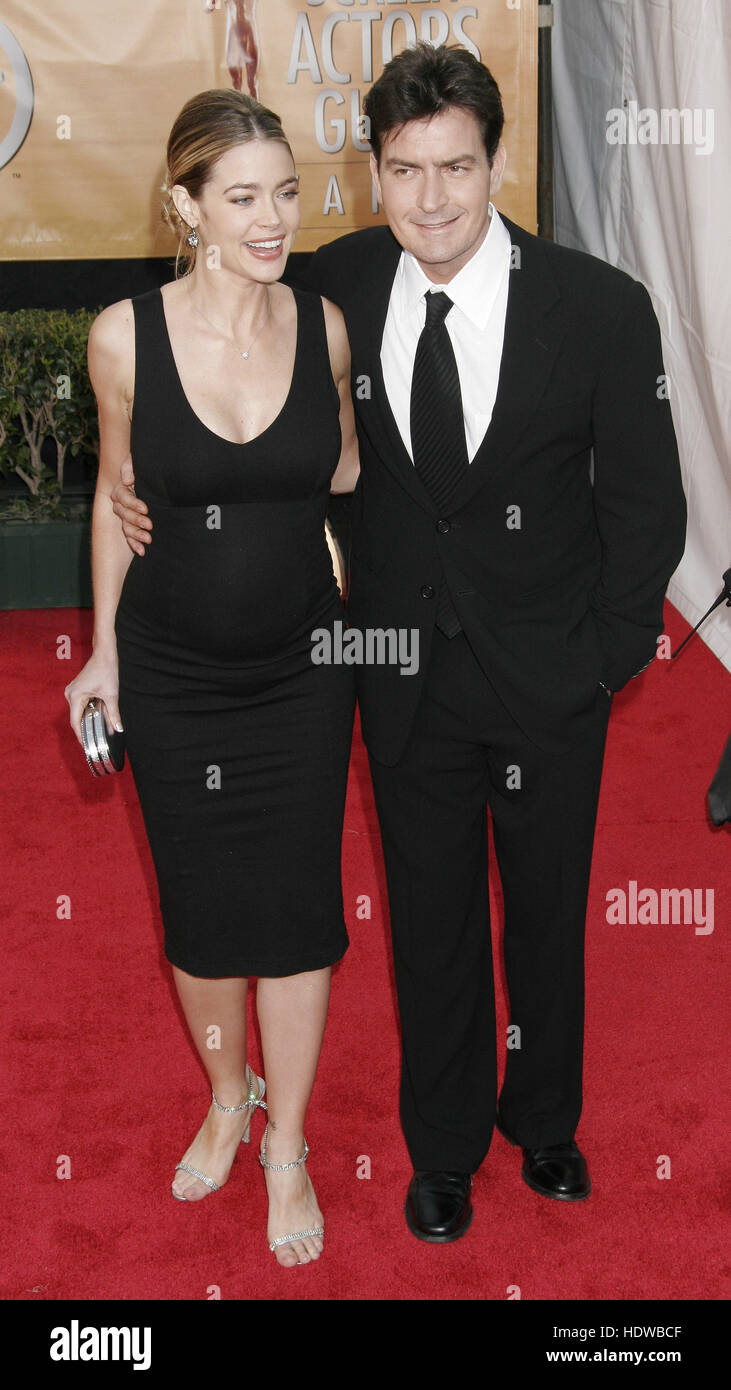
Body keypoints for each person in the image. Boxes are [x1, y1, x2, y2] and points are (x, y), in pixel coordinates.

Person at [112, 45, 687, 1244]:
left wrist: (600, 660)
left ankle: (544, 1123)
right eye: (404, 170)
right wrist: (139, 497)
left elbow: (646, 513)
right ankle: (442, 1147)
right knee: (426, 917)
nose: (431, 199)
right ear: (374, 172)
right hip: (393, 670)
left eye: (457, 169)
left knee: (543, 910)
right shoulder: (343, 286)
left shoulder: (596, 307)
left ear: (496, 165)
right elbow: (264, 432)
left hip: (547, 676)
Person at [65, 89, 359, 1268]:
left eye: (284, 193)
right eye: (242, 198)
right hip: (176, 670)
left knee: (294, 913)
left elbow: (341, 463)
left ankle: (285, 1141)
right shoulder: (120, 336)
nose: (272, 217)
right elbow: (107, 493)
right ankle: (226, 1094)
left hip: (302, 670)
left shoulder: (325, 324)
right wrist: (102, 648)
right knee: (198, 916)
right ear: (185, 207)